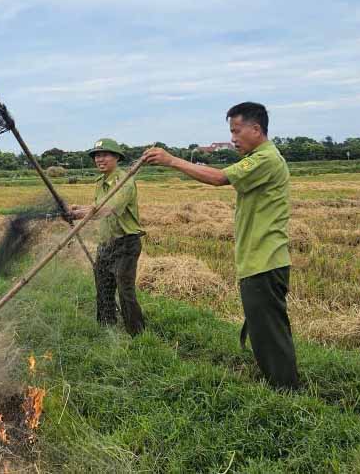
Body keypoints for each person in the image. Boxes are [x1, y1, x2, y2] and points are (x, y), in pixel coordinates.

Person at [142, 102, 299, 389]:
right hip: (258, 258)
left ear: (256, 128)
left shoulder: (265, 159)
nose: (233, 138)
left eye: (236, 131)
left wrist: (171, 160)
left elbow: (219, 178)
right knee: (264, 328)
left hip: (265, 259)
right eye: (231, 132)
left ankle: (285, 390)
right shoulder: (258, 159)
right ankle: (275, 379)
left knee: (270, 330)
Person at [69, 138, 146, 335]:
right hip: (106, 244)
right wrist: (79, 209)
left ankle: (136, 334)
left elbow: (109, 209)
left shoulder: (124, 182)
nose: (99, 159)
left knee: (125, 291)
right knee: (103, 287)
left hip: (126, 243)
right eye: (96, 155)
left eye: (104, 155)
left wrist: (81, 215)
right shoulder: (101, 182)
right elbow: (97, 208)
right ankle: (105, 328)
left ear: (116, 157)